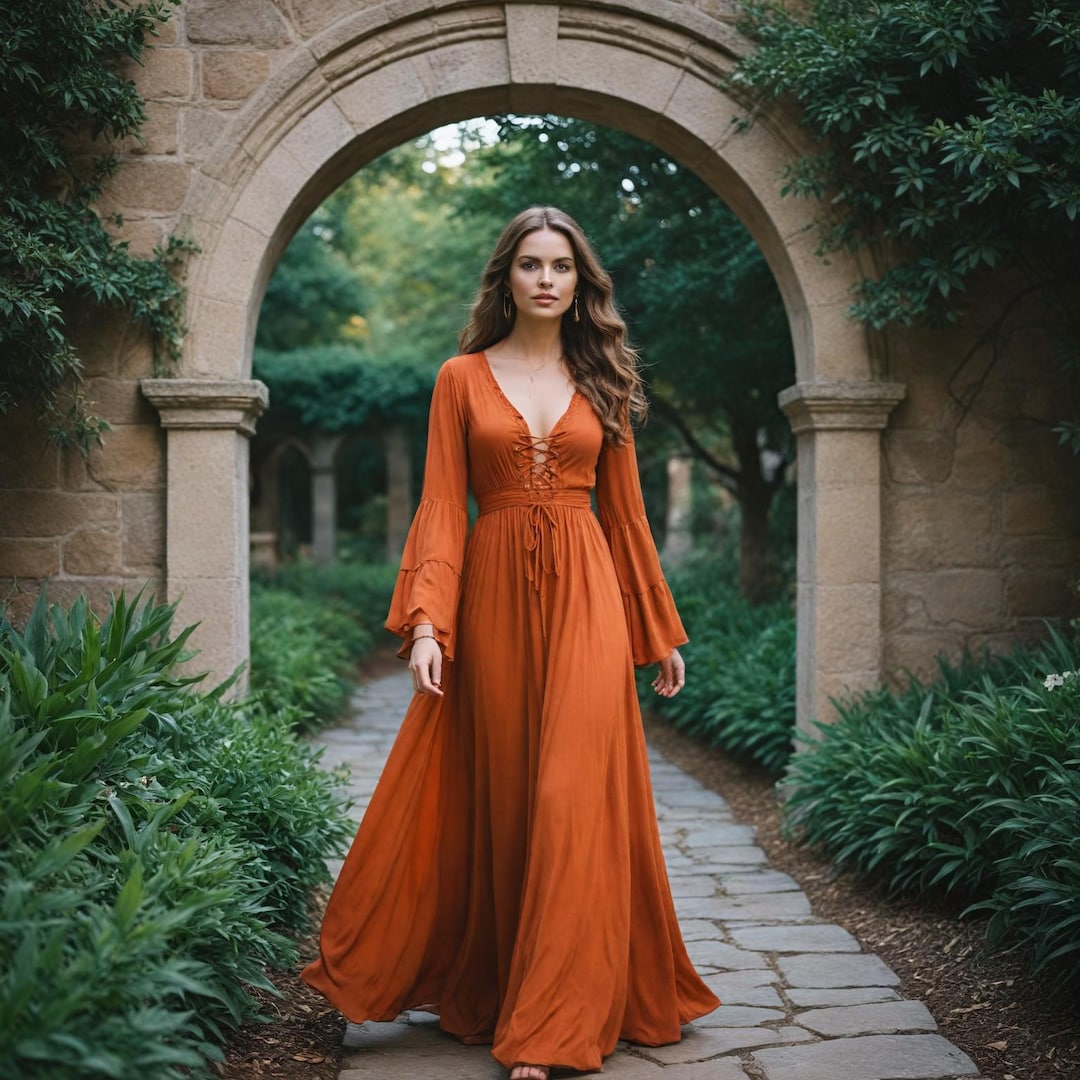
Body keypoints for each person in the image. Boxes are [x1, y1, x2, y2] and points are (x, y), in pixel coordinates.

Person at [301, 206, 720, 1079]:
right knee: (508, 795)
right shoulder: (459, 378)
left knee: (572, 792)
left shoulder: (605, 379)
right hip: (491, 598)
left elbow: (629, 516)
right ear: (507, 278)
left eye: (561, 266)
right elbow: (440, 508)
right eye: (529, 264)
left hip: (588, 597)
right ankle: (505, 987)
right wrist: (427, 622)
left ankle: (551, 1027)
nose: (545, 279)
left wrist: (655, 629)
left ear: (580, 283)